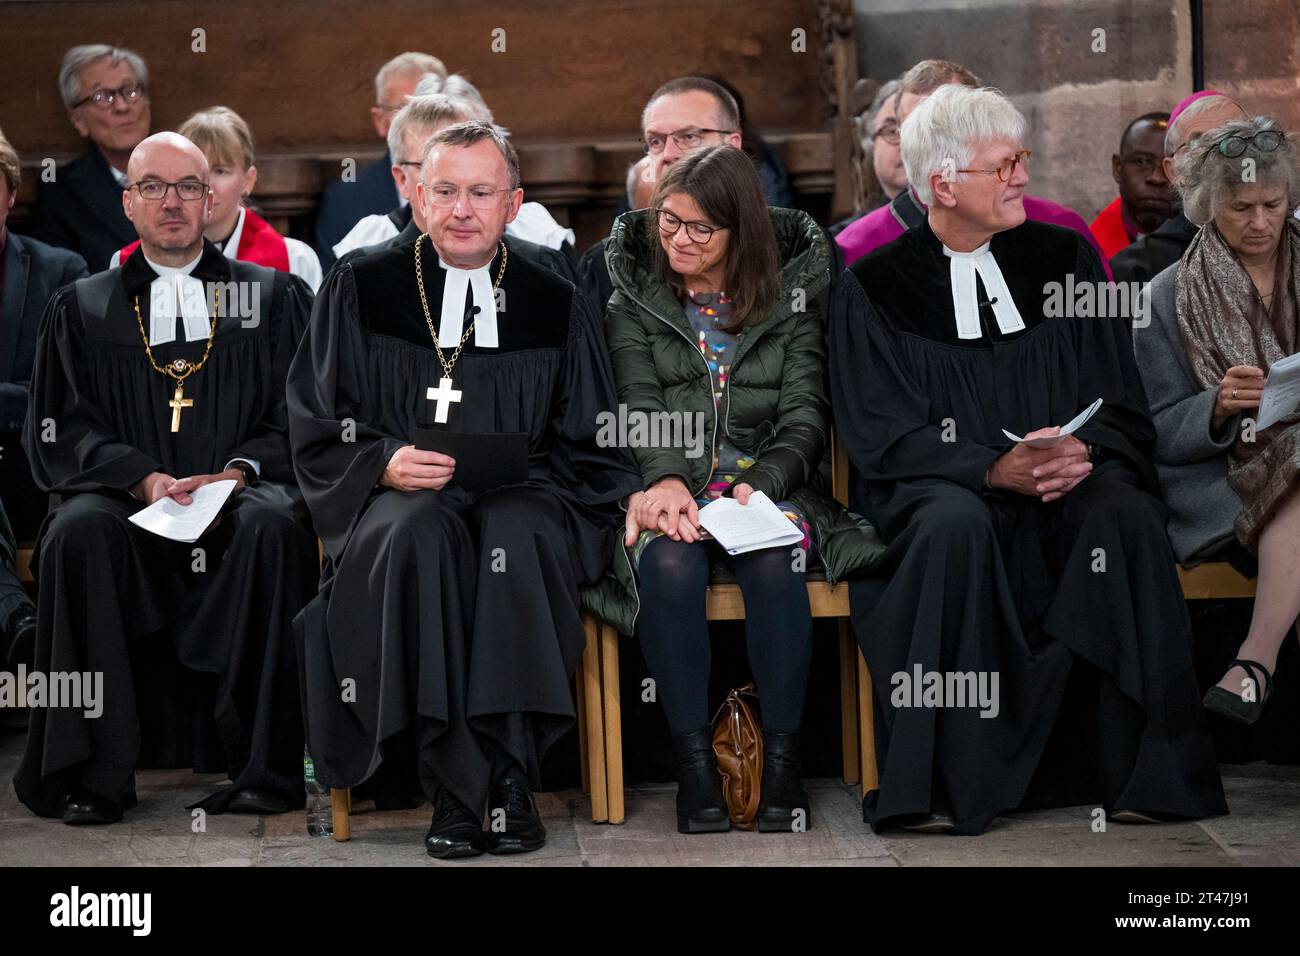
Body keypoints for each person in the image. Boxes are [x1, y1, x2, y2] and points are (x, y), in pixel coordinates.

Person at [828, 84, 1226, 834]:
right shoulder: (873, 288)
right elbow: (879, 429)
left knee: (1123, 513)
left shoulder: (1065, 256)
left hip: (1068, 478)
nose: (1021, 176)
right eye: (1004, 164)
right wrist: (986, 469)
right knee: (953, 529)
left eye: (1022, 159)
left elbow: (1117, 392)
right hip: (940, 488)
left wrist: (1084, 448)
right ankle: (952, 785)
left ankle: (1146, 774)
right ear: (944, 182)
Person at [288, 121, 641, 859]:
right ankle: (450, 787)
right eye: (444, 191)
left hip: (528, 491)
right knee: (417, 531)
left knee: (516, 535)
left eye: (481, 193)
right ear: (415, 196)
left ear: (513, 204)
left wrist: (556, 479)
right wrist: (381, 460)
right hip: (402, 496)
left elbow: (590, 433)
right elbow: (317, 418)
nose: (461, 210)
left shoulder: (553, 291)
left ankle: (512, 781)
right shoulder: (362, 284)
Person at [15, 132, 317, 825]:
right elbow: (59, 426)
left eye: (188, 186)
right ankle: (91, 774)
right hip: (125, 503)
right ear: (129, 203)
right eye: (153, 186)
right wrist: (142, 479)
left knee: (274, 527)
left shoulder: (272, 298)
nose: (172, 201)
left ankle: (266, 770)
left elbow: (302, 415)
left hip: (238, 499)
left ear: (212, 200)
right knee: (77, 533)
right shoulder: (84, 307)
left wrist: (240, 472)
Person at [602, 145, 883, 833]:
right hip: (676, 487)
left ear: (741, 231)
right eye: (668, 221)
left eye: (701, 228)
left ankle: (781, 765)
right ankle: (694, 769)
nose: (679, 240)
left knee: (773, 557)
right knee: (668, 562)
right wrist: (667, 480)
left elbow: (805, 416)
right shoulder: (634, 299)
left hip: (770, 489)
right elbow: (638, 404)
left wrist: (759, 484)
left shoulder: (789, 298)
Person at [1137, 117, 1298, 725]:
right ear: (1207, 208)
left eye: (1272, 205)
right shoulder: (1163, 297)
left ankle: (1253, 666)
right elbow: (1154, 430)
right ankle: (1254, 662)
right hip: (1219, 485)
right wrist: (1217, 406)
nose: (1260, 222)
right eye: (1241, 208)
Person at [834, 60, 1109, 273]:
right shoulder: (857, 247)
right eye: (908, 129)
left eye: (942, 127)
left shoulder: (1062, 230)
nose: (919, 144)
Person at [0, 133, 87, 666]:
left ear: (11, 194)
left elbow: (66, 397)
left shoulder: (62, 273)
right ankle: (16, 617)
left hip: (34, 465)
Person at [331, 77, 576, 264]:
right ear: (403, 179)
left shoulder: (539, 246)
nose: (461, 208)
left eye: (475, 168)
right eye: (435, 170)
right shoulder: (364, 258)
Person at [109, 107, 321, 291]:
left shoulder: (296, 260)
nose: (206, 184)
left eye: (220, 171)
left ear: (248, 180)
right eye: (190, 175)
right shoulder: (126, 263)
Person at [314, 52, 447, 268]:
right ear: (380, 121)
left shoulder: (482, 193)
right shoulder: (345, 201)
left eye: (431, 108)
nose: (420, 121)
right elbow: (334, 291)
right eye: (405, 109)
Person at [28, 45, 151, 270]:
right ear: (78, 120)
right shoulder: (60, 193)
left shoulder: (189, 171)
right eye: (102, 96)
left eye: (130, 91)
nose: (122, 107)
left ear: (147, 101)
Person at [1112, 92, 1248, 285]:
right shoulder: (1133, 270)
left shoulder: (1290, 242)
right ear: (1173, 171)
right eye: (1200, 145)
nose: (1218, 158)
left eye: (1234, 141)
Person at [1090, 112, 1173, 261]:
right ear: (1117, 168)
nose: (1157, 178)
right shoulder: (1091, 248)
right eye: (1142, 161)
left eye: (1170, 165)